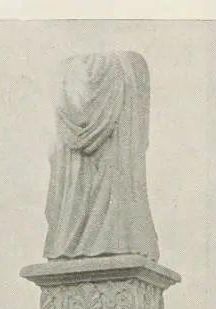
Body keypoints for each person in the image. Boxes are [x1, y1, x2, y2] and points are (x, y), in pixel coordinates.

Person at [44, 51, 159, 262]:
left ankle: (76, 234)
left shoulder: (65, 69)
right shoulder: (128, 65)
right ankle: (114, 236)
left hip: (72, 222)